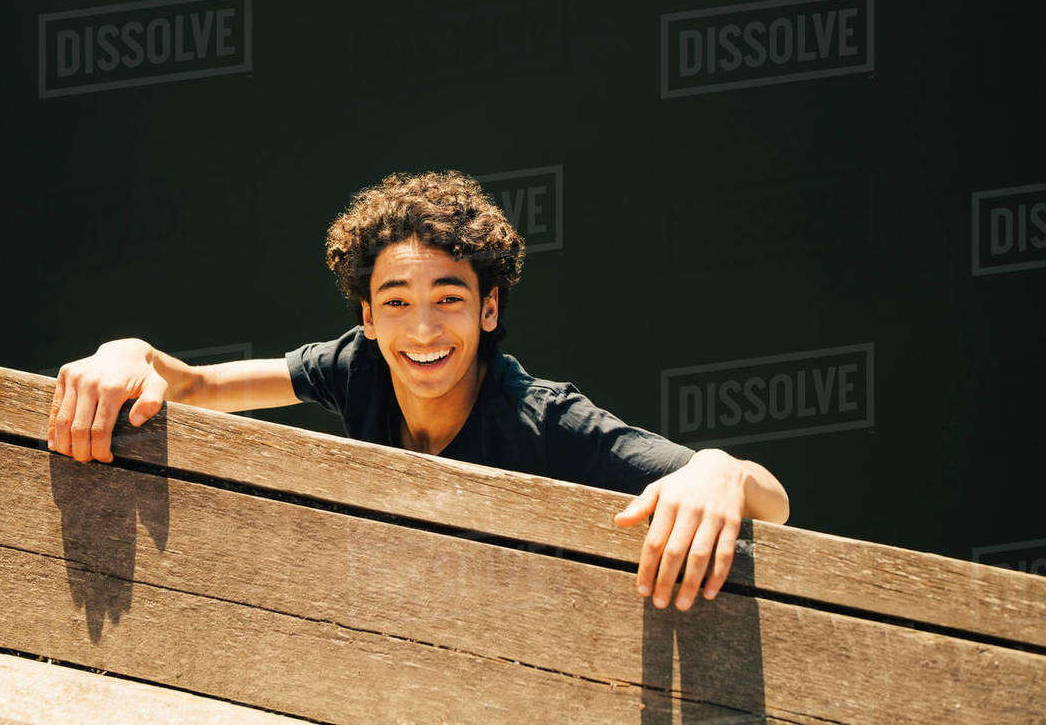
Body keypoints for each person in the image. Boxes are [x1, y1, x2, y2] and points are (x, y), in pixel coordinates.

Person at [48, 170, 789, 611]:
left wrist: (719, 468)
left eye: (450, 298)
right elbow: (200, 385)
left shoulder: (546, 416)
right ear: (367, 318)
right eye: (397, 301)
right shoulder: (356, 368)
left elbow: (772, 503)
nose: (424, 329)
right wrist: (127, 351)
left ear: (489, 309)